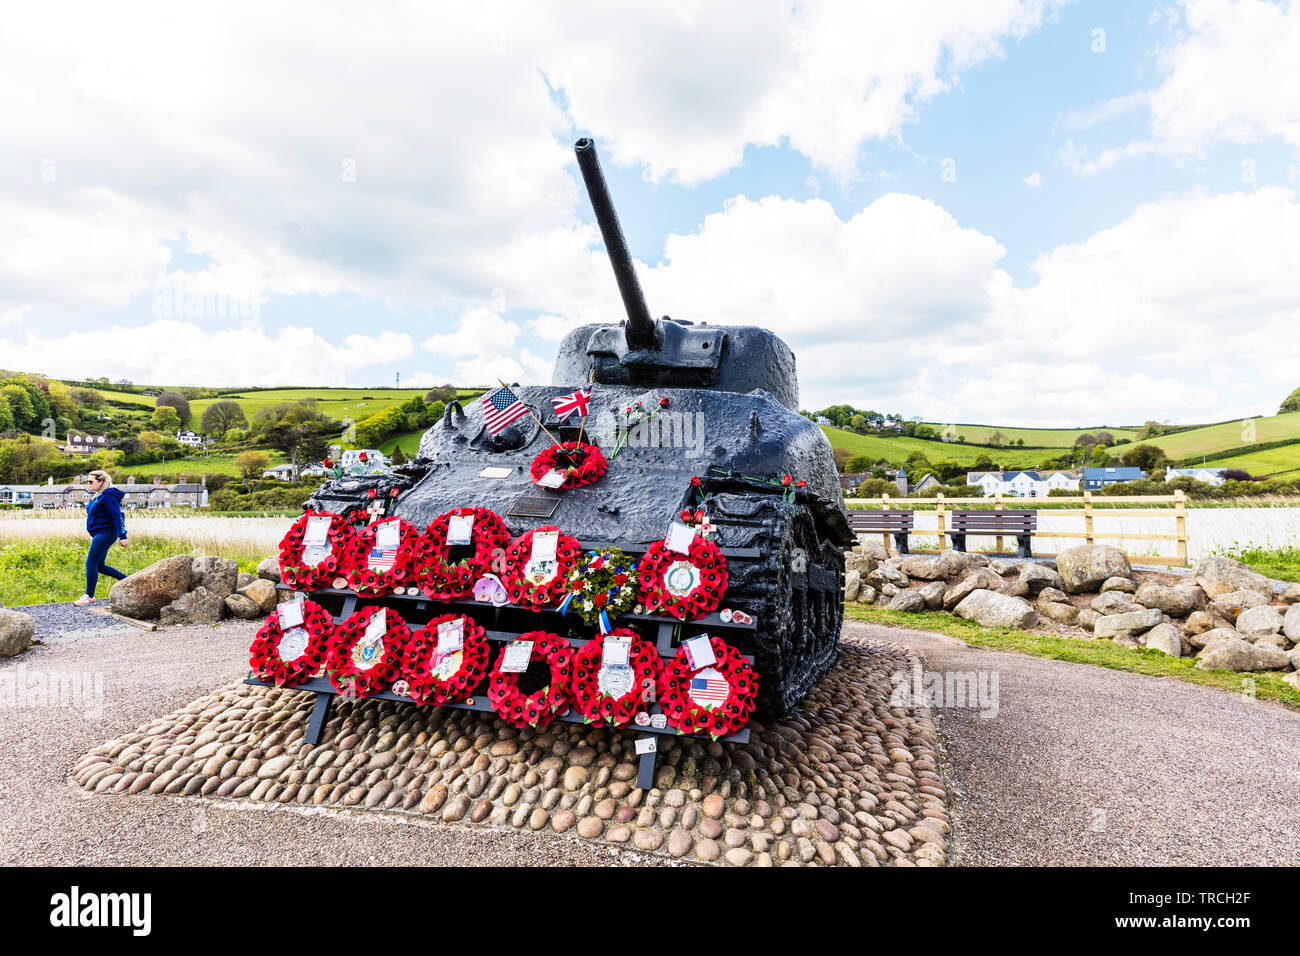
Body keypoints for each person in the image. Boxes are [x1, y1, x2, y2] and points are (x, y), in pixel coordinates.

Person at [74, 470, 130, 606]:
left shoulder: (108, 496)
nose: (88, 484)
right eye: (87, 481)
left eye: (91, 481)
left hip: (106, 533)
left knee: (90, 563)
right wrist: (95, 536)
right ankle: (129, 582)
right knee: (100, 566)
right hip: (100, 534)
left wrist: (123, 536)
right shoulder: (98, 496)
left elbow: (117, 516)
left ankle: (89, 596)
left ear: (101, 482)